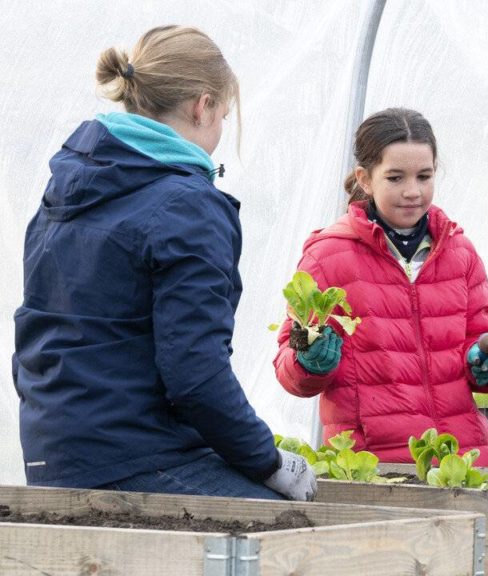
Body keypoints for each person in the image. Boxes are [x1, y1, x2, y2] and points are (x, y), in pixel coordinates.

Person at [13, 26, 315, 501]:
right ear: (202, 106)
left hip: (55, 453)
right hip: (141, 458)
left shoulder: (66, 189)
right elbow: (195, 372)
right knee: (301, 539)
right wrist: (270, 460)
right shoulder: (186, 206)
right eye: (223, 115)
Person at [274, 108, 488, 467]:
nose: (413, 192)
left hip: (464, 459)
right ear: (365, 179)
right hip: (376, 465)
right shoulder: (328, 257)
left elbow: (482, 337)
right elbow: (289, 371)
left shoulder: (459, 252)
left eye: (424, 176)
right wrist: (310, 362)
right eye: (396, 178)